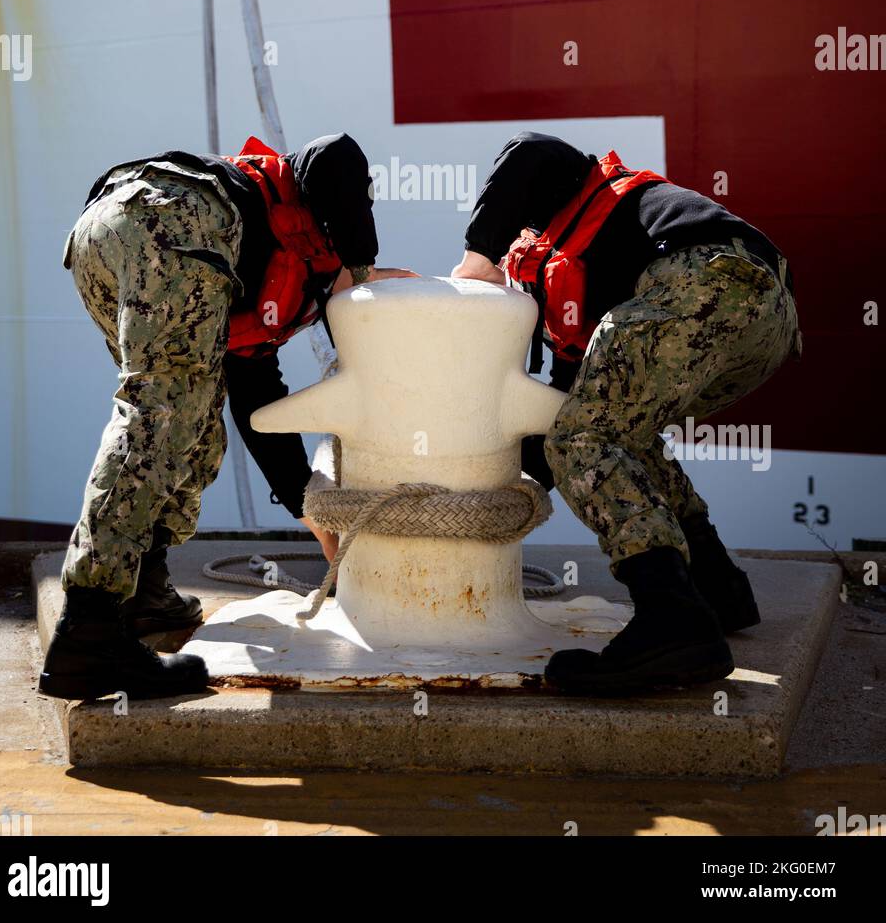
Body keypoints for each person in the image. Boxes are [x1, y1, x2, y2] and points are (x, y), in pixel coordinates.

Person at [40, 132, 411, 701]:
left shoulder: (262, 274)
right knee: (160, 417)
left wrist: (310, 509)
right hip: (170, 220)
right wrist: (361, 266)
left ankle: (141, 589)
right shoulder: (307, 219)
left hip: (103, 232)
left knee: (191, 424)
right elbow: (338, 152)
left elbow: (255, 399)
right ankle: (89, 632)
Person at [452, 131, 801, 696]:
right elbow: (566, 412)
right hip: (768, 315)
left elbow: (529, 152)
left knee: (586, 436)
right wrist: (494, 492)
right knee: (617, 431)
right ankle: (714, 588)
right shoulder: (599, 249)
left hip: (702, 281)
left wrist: (477, 257)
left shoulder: (583, 197)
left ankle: (672, 621)